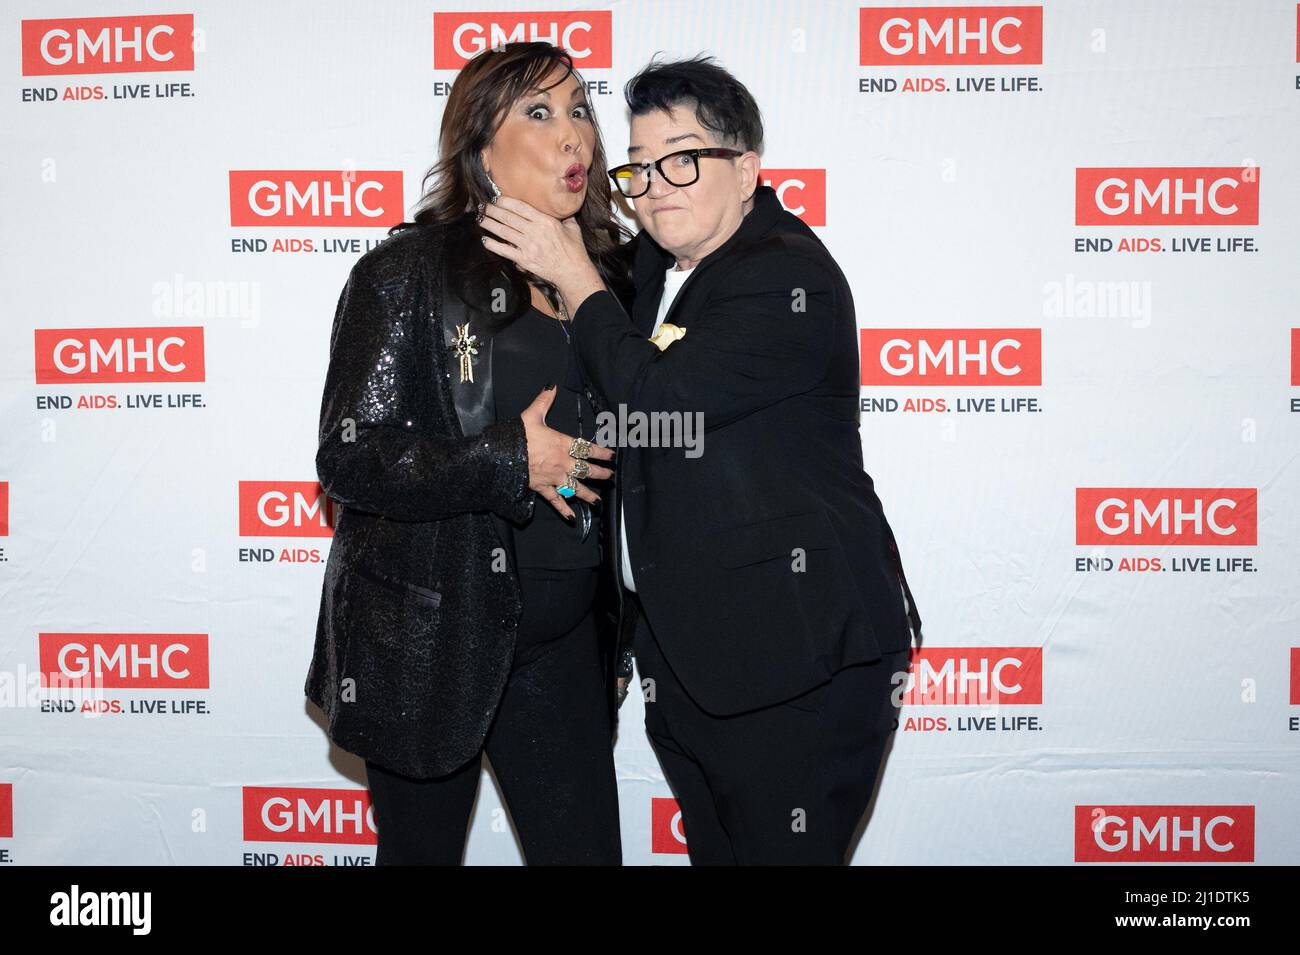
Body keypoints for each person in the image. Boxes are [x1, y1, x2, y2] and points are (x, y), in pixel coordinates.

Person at [479, 54, 924, 864]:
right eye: (641, 167)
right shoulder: (657, 273)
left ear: (746, 167)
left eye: (684, 158)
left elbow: (659, 405)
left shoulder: (786, 278)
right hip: (689, 663)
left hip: (794, 662)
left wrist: (576, 276)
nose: (658, 185)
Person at [304, 42, 631, 865]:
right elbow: (350, 457)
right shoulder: (403, 273)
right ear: (481, 146)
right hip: (432, 634)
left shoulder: (615, 282)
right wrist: (504, 458)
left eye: (581, 110)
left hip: (563, 648)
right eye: (540, 112)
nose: (575, 137)